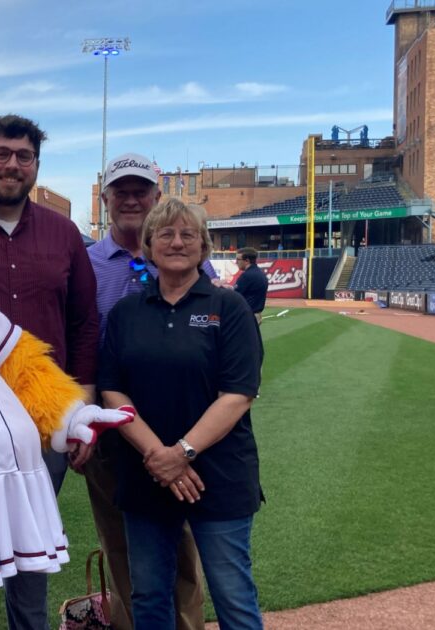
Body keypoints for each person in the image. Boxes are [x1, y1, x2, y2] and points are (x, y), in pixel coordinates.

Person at [0, 114, 100, 630]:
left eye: (24, 156)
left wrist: (78, 410)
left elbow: (85, 326)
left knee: (29, 545)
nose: (12, 164)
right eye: (2, 153)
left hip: (44, 418)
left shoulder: (64, 234)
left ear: (36, 166)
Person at [99, 198, 265, 630]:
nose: (177, 242)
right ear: (149, 246)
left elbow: (238, 394)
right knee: (149, 595)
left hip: (220, 473)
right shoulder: (126, 313)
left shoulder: (229, 308)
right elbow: (112, 388)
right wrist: (161, 457)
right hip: (145, 472)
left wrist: (183, 453)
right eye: (166, 234)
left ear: (203, 247)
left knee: (233, 596)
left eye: (188, 234)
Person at [87, 154, 209, 630]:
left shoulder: (184, 255)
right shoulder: (88, 263)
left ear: (157, 198)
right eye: (121, 191)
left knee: (181, 543)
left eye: (141, 190)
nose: (132, 199)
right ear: (107, 200)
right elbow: (80, 342)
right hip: (111, 428)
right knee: (119, 544)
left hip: (177, 427)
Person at [234, 247, 268, 324]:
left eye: (238, 259)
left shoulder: (247, 275)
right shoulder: (260, 273)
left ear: (247, 261)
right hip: (256, 315)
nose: (236, 262)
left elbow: (234, 296)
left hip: (247, 316)